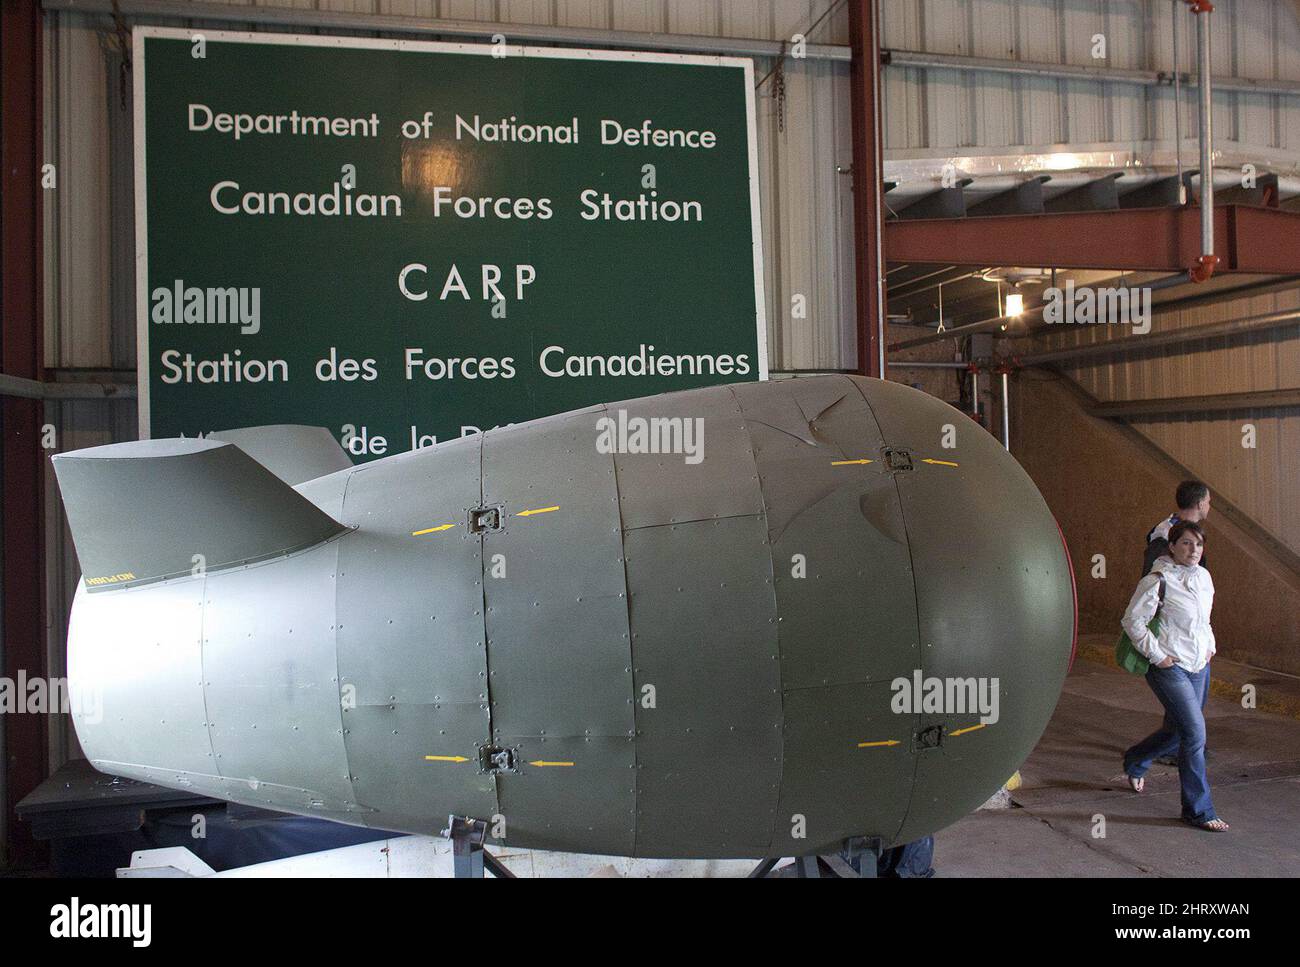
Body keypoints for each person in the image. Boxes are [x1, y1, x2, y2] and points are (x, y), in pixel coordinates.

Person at [1121, 521, 1227, 831]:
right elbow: (1132, 621)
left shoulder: (1204, 577)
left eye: (1198, 545)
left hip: (1199, 665)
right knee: (1195, 734)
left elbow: (1204, 620)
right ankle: (1198, 811)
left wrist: (1210, 648)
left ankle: (1137, 759)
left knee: (1179, 731)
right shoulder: (1158, 580)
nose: (1193, 550)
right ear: (1172, 546)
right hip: (1170, 667)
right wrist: (1160, 657)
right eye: (1186, 543)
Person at [1143, 480, 1211, 576]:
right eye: (1208, 502)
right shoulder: (1163, 535)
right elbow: (1152, 575)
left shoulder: (1194, 532)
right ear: (1200, 504)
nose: (1209, 506)